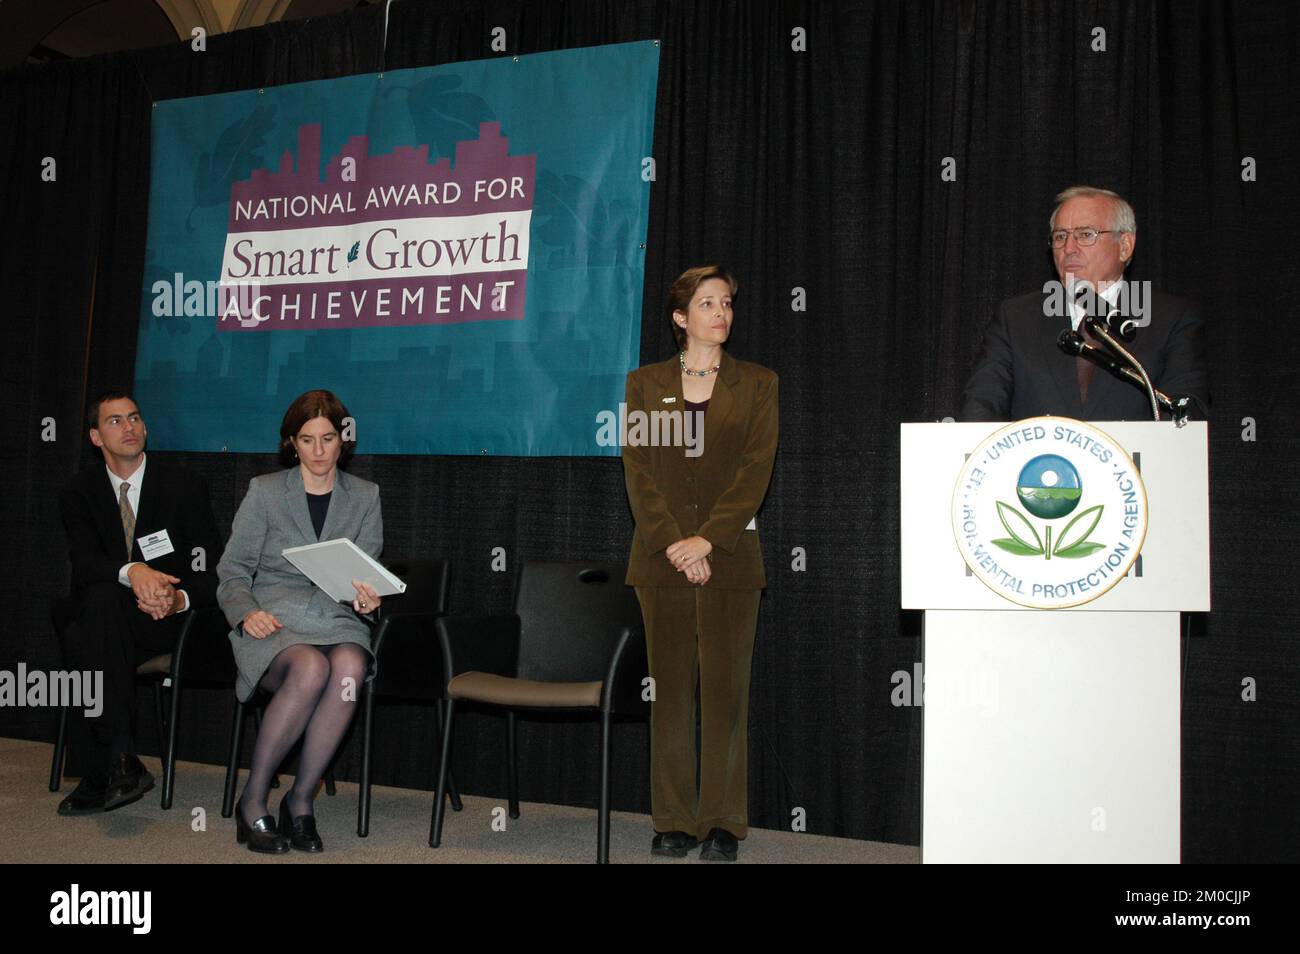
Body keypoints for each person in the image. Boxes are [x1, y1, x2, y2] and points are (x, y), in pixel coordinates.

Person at [622, 265, 779, 862]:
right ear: (680, 318)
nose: (722, 313)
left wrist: (708, 541)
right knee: (669, 696)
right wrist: (674, 544)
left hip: (731, 561)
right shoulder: (645, 385)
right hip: (661, 562)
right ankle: (673, 820)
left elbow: (754, 473)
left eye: (727, 303)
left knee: (724, 695)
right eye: (708, 303)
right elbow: (640, 473)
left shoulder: (758, 384)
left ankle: (721, 823)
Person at [217, 390, 383, 853]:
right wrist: (246, 613)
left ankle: (300, 800)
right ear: (292, 443)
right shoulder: (266, 492)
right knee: (311, 668)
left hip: (338, 620)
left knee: (349, 668)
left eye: (327, 438)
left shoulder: (366, 496)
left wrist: (368, 603)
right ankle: (253, 801)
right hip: (274, 624)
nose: (318, 450)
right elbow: (231, 571)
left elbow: (365, 578)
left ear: (342, 440)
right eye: (306, 440)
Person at [56, 391, 221, 815]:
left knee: (86, 631)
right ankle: (121, 759)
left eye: (134, 418)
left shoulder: (185, 486)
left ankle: (104, 768)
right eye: (114, 421)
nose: (128, 427)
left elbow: (208, 570)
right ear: (95, 436)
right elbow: (86, 562)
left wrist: (176, 598)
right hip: (109, 615)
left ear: (145, 428)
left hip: (168, 621)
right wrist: (135, 572)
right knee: (101, 601)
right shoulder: (80, 491)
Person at [960, 185, 1209, 421]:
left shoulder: (1171, 319)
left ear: (1125, 246)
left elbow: (1184, 419)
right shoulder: (1016, 319)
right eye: (1060, 236)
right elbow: (980, 410)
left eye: (1085, 235)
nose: (1069, 248)